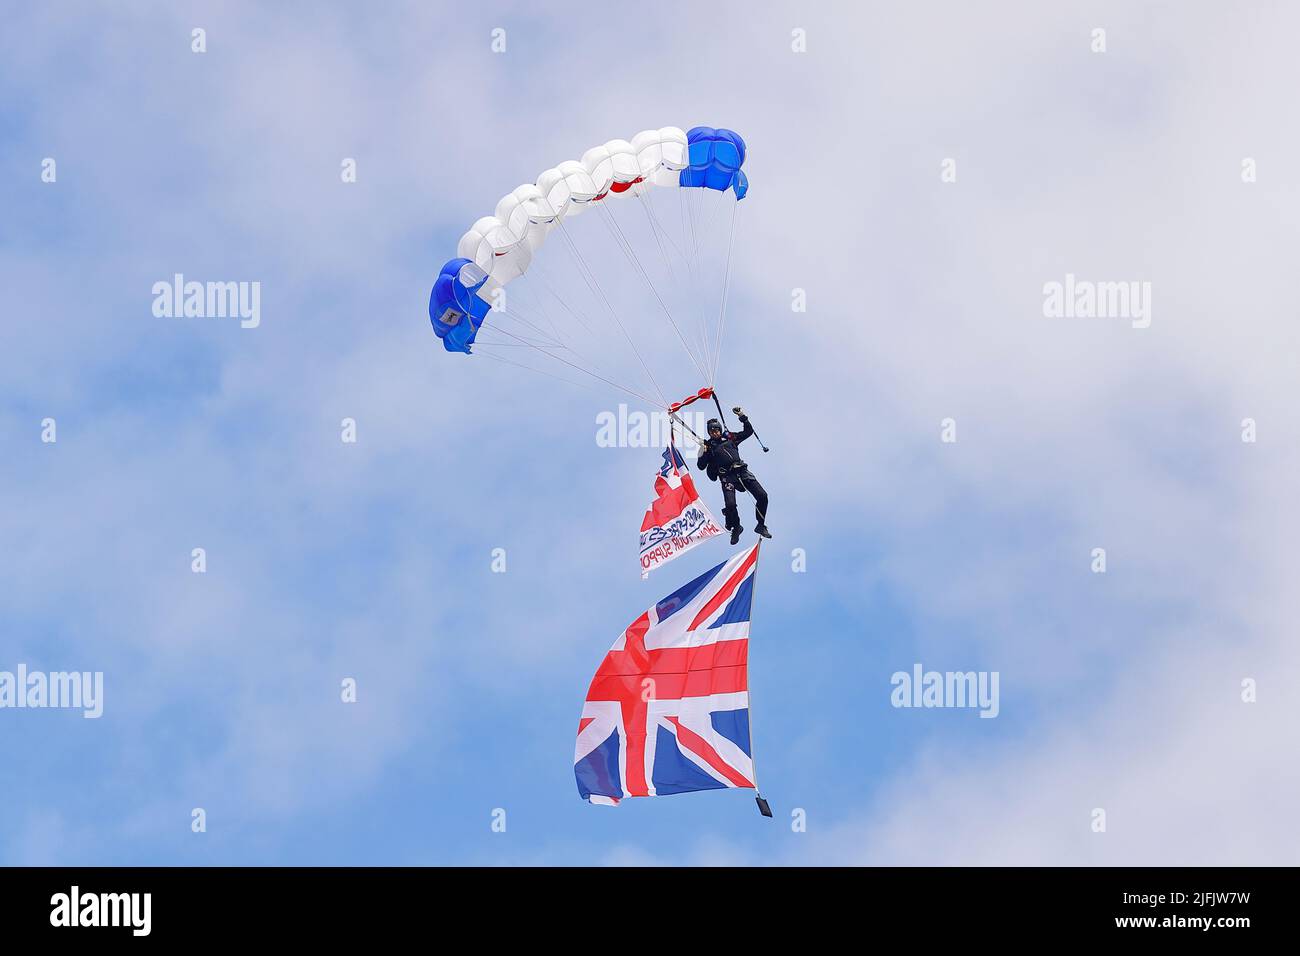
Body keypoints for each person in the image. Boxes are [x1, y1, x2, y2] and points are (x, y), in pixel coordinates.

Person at [697, 406, 771, 545]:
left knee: (762, 496)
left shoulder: (730, 438)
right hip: (727, 477)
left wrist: (742, 417)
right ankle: (736, 527)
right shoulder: (709, 447)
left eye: (716, 429)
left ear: (720, 429)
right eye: (711, 431)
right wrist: (702, 451)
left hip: (742, 472)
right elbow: (701, 466)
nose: (715, 433)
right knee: (730, 505)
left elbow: (748, 431)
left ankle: (760, 524)